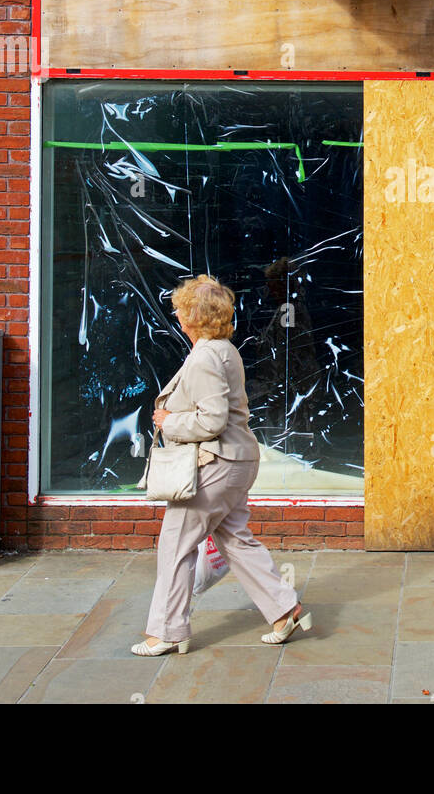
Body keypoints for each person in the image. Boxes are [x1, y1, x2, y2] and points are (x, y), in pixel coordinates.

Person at [132, 274, 312, 656]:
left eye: (181, 307)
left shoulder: (205, 357)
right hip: (236, 461)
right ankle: (284, 610)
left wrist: (168, 422)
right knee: (235, 539)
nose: (176, 312)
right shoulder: (224, 349)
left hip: (216, 464)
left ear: (194, 314)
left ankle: (167, 631)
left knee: (176, 546)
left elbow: (211, 420)